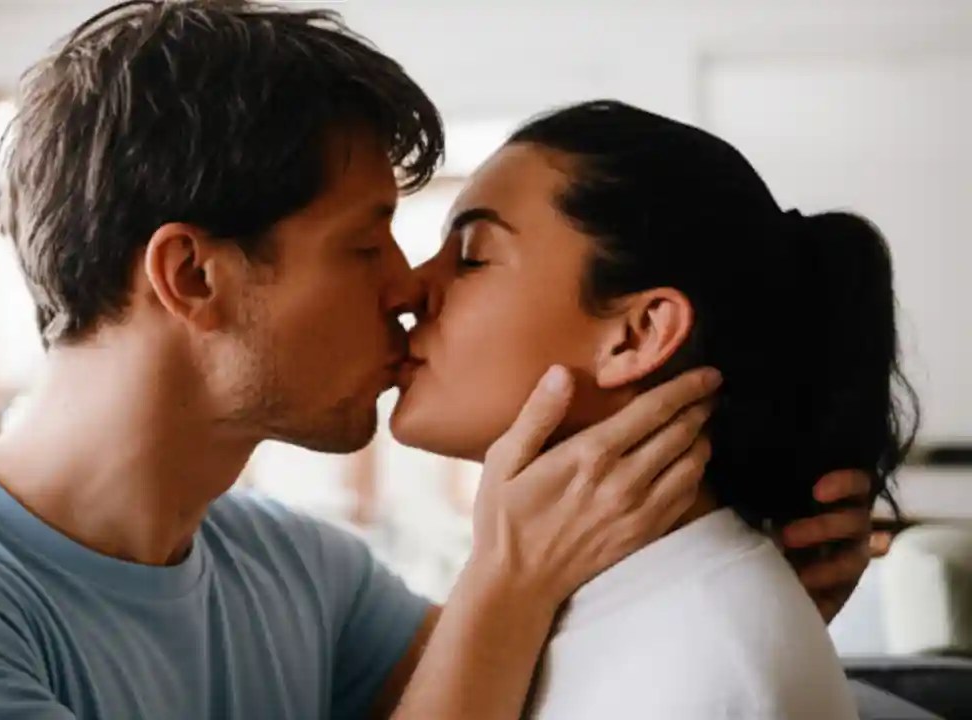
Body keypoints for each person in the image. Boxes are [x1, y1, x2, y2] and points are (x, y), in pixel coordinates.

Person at [0, 3, 877, 719]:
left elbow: (534, 687)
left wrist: (704, 605)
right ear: (193, 275)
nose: (406, 287)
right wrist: (502, 577)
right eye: (365, 244)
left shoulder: (300, 576)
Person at [391, 99, 918, 719]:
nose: (409, 288)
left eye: (473, 255)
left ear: (638, 334)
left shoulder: (706, 668)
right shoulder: (572, 608)